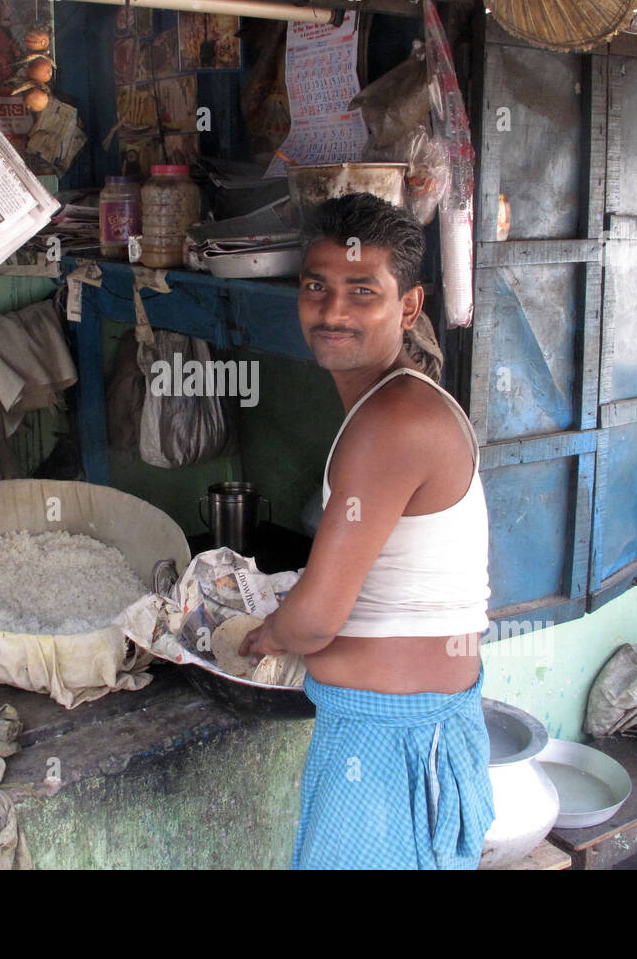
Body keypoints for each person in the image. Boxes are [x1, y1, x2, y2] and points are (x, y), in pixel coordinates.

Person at [239, 192, 494, 870]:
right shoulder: (395, 403)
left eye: (362, 291)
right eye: (316, 287)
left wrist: (263, 636)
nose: (332, 312)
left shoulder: (394, 422)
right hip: (402, 726)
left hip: (390, 741)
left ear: (408, 307)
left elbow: (317, 621)